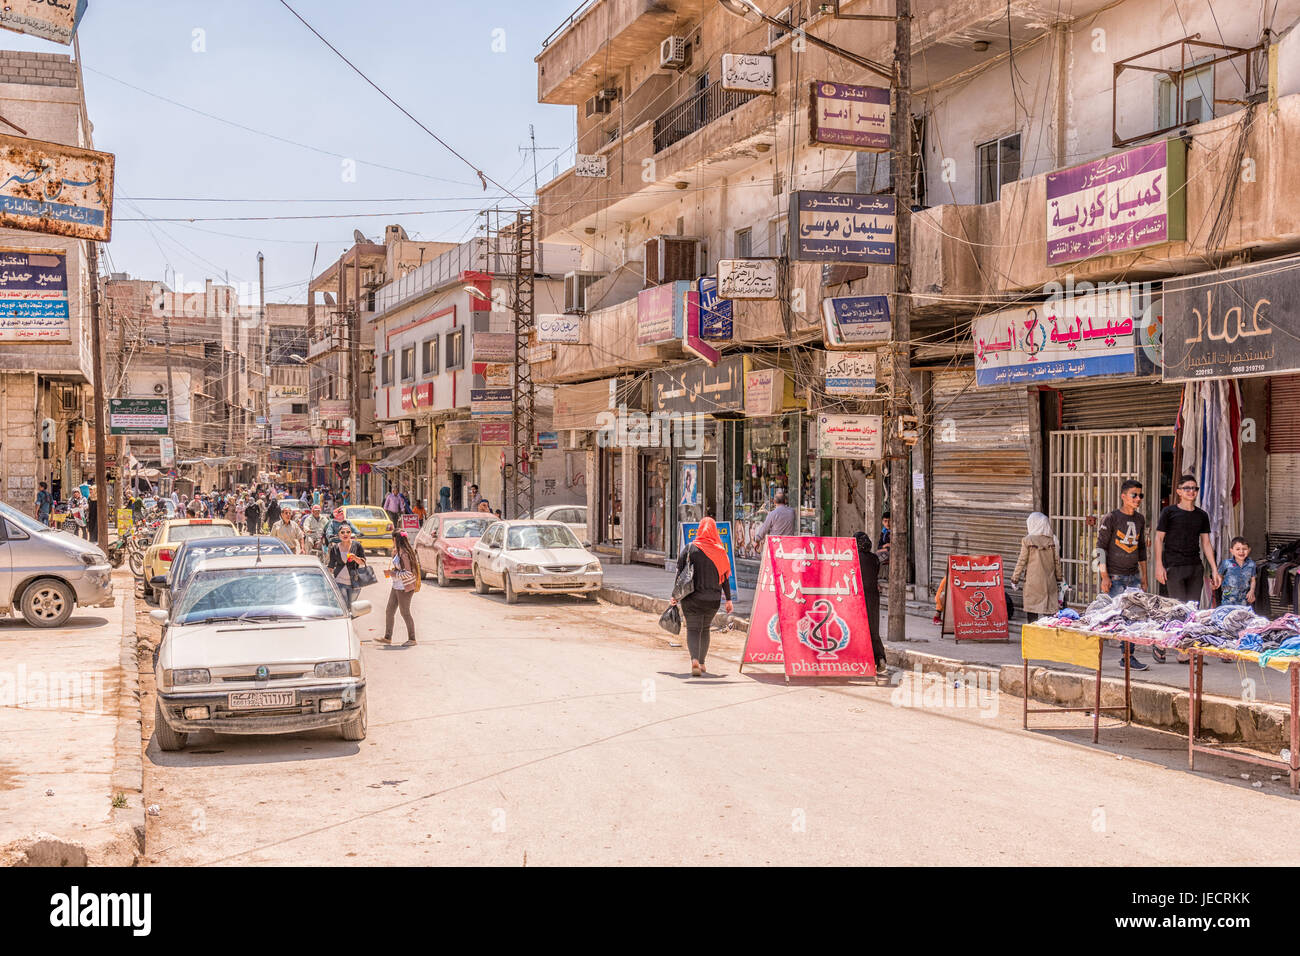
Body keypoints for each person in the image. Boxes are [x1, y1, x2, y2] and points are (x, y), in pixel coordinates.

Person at [670, 516, 733, 677]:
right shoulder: (720, 552)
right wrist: (729, 600)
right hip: (712, 600)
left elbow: (679, 575)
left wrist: (675, 596)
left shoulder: (690, 548)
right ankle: (703, 663)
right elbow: (725, 578)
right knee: (705, 629)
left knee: (693, 628)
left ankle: (695, 661)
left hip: (691, 598)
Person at [1097, 478, 1151, 669]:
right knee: (1109, 617)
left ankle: (1128, 657)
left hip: (1133, 576)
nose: (1138, 499)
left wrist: (1144, 576)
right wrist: (1104, 576)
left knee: (1134, 617)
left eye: (1140, 495)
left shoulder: (1140, 519)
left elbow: (1142, 549)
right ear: (1123, 496)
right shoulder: (1111, 518)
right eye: (1133, 495)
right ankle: (1094, 655)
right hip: (1114, 577)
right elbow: (1100, 549)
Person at [1155, 474, 1220, 606]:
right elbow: (1158, 538)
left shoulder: (1202, 515)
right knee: (1179, 608)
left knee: (1192, 609)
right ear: (1179, 491)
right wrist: (1158, 565)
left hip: (1195, 567)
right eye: (1187, 488)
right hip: (1174, 567)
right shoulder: (1168, 512)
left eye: (1194, 488)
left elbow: (1206, 543)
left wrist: (1214, 569)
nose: (1191, 491)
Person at [1012, 512, 1063, 619]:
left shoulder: (1027, 540)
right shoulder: (1053, 540)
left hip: (1032, 583)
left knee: (1032, 611)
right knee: (1049, 612)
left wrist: (1015, 579)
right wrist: (1059, 578)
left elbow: (1021, 561)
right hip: (1049, 582)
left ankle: (1032, 634)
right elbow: (1057, 561)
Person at [377, 531, 420, 647]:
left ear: (396, 540)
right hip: (396, 586)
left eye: (393, 539)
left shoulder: (405, 554)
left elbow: (409, 573)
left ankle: (412, 639)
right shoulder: (398, 552)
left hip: (404, 587)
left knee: (405, 612)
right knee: (389, 611)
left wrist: (392, 573)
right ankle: (387, 637)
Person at [853, 531, 886, 675]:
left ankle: (859, 660)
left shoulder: (852, 558)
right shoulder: (874, 559)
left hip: (857, 596)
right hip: (873, 596)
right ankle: (880, 658)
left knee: (856, 628)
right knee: (873, 628)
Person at [327, 525, 367, 608]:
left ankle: (349, 620)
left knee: (351, 606)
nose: (345, 534)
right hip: (340, 581)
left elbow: (363, 562)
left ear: (351, 533)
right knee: (344, 605)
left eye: (348, 532)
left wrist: (355, 558)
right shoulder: (334, 548)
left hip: (354, 582)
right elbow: (330, 566)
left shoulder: (357, 545)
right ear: (338, 534)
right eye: (342, 532)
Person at [1218, 536, 1257, 608]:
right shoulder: (1226, 563)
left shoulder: (1251, 564)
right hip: (1228, 599)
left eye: (1244, 549)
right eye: (1238, 549)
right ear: (1231, 551)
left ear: (1249, 550)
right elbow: (1219, 576)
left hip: (1244, 599)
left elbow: (1253, 580)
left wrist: (1252, 591)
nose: (1241, 552)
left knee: (1242, 616)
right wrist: (1224, 587)